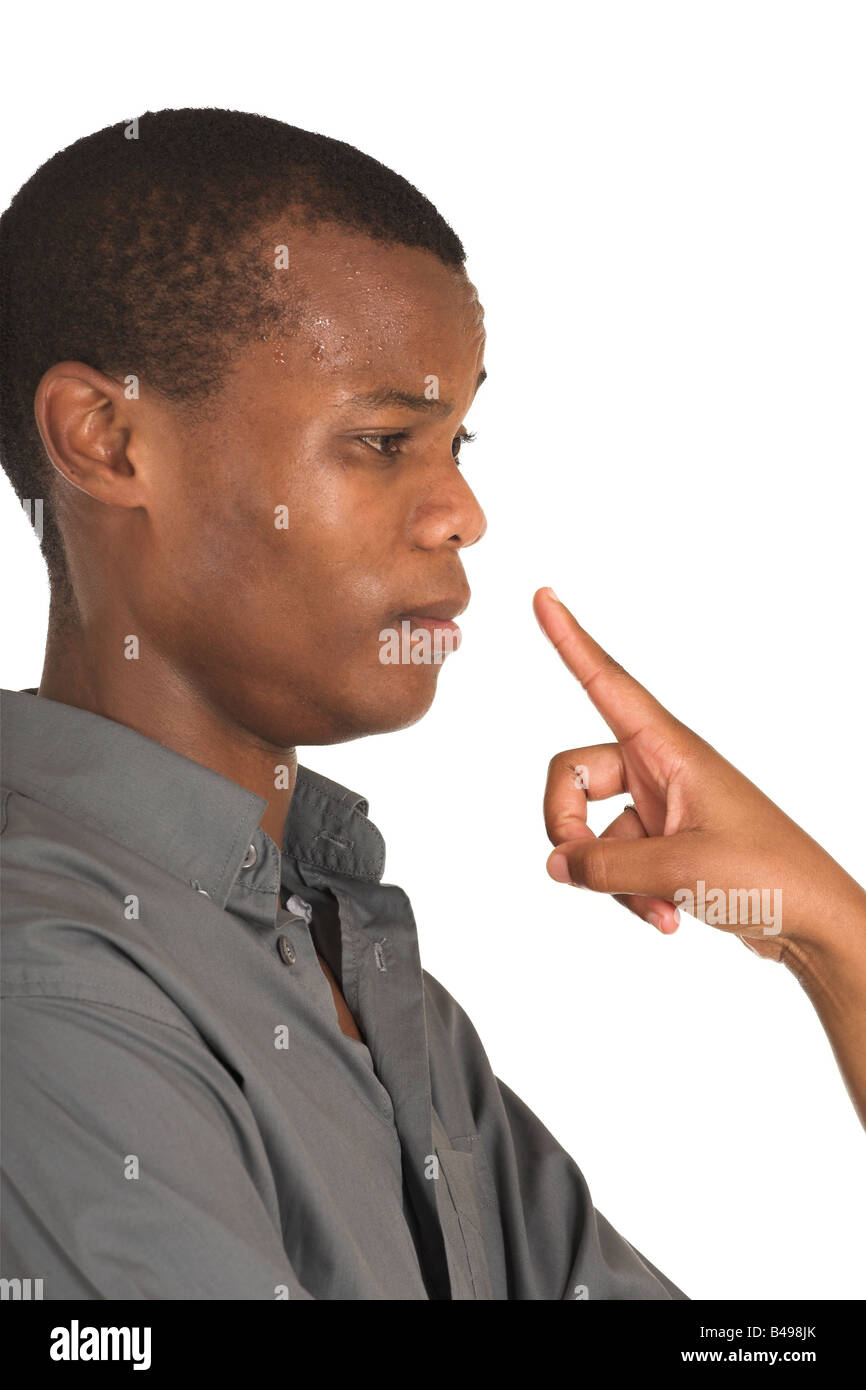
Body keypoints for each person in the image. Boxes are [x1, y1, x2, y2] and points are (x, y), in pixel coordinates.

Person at [1, 109, 863, 1301]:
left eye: (459, 437)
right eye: (384, 438)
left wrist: (829, 933)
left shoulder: (345, 968)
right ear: (107, 439)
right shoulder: (48, 988)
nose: (461, 509)